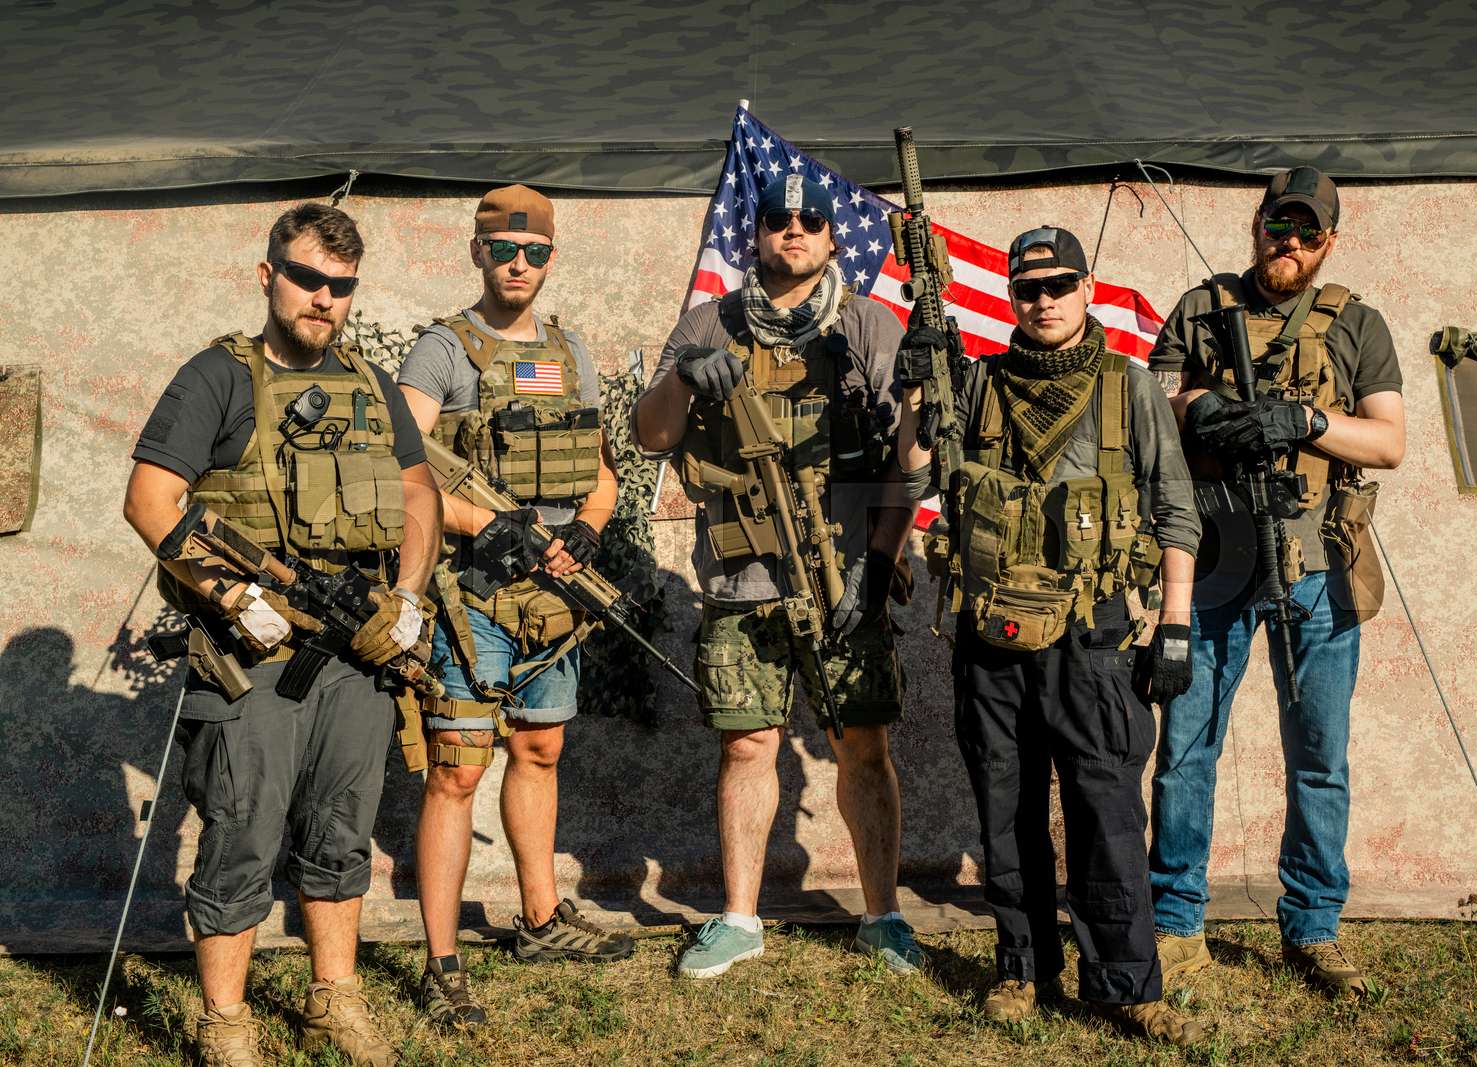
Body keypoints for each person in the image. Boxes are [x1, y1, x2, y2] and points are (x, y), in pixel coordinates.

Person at [123, 203, 440, 1067]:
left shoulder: (371, 385)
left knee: (343, 827)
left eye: (341, 286)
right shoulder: (217, 378)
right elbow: (152, 502)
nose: (324, 299)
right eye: (308, 278)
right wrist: (229, 594)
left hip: (356, 651)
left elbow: (418, 497)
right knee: (242, 827)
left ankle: (333, 997)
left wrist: (407, 596)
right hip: (251, 654)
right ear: (269, 277)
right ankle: (225, 1020)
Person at [898, 226, 1203, 1042]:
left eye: (1059, 285)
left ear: (1087, 286)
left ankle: (1125, 981)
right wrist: (919, 386)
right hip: (991, 633)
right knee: (1007, 805)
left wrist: (1174, 625)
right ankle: (1021, 967)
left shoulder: (1129, 387)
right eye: (1029, 288)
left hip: (1094, 633)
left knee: (1106, 808)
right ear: (1011, 295)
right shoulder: (978, 385)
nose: (1044, 301)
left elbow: (1176, 510)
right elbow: (915, 468)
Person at [631, 174, 922, 979]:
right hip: (739, 578)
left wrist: (882, 566)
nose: (793, 231)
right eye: (777, 219)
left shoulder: (867, 325)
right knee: (748, 744)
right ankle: (738, 917)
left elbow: (911, 467)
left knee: (862, 743)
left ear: (833, 238)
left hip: (843, 577)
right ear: (754, 234)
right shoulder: (709, 323)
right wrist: (687, 375)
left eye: (810, 221)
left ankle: (883, 912)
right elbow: (651, 436)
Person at [1146, 166, 1405, 996]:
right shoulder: (1199, 308)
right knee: (1186, 751)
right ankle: (1175, 921)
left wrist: (1309, 421)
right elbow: (1152, 410)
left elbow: (1390, 442)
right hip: (1215, 559)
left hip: (1320, 568)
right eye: (1273, 225)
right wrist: (1202, 410)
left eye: (1303, 230)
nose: (1284, 242)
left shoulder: (1357, 323)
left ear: (1329, 240)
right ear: (1255, 225)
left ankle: (1314, 925)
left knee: (1320, 757)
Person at [396, 184, 633, 1028]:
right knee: (457, 774)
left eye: (536, 252)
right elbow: (401, 469)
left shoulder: (572, 352)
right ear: (477, 252)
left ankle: (540, 918)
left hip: (557, 599)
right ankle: (443, 962)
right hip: (474, 598)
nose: (521, 265)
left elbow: (601, 473)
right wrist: (487, 524)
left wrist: (591, 535)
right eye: (505, 250)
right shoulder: (442, 351)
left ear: (551, 258)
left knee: (540, 749)